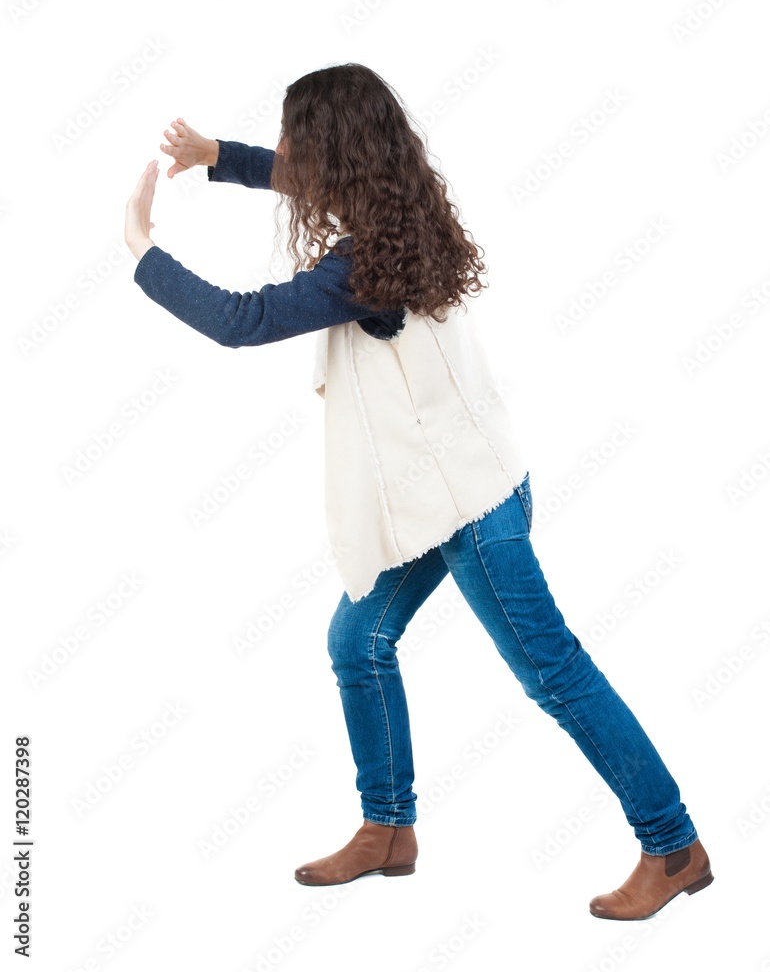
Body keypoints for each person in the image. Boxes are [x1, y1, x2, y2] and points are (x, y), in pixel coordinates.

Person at [124, 62, 713, 920]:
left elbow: (241, 321)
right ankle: (388, 828)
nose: (286, 152)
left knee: (554, 674)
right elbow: (300, 175)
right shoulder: (402, 207)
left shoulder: (359, 268)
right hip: (448, 492)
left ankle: (673, 844)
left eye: (296, 137)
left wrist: (143, 249)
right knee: (356, 640)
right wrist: (222, 157)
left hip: (468, 511)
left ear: (333, 152)